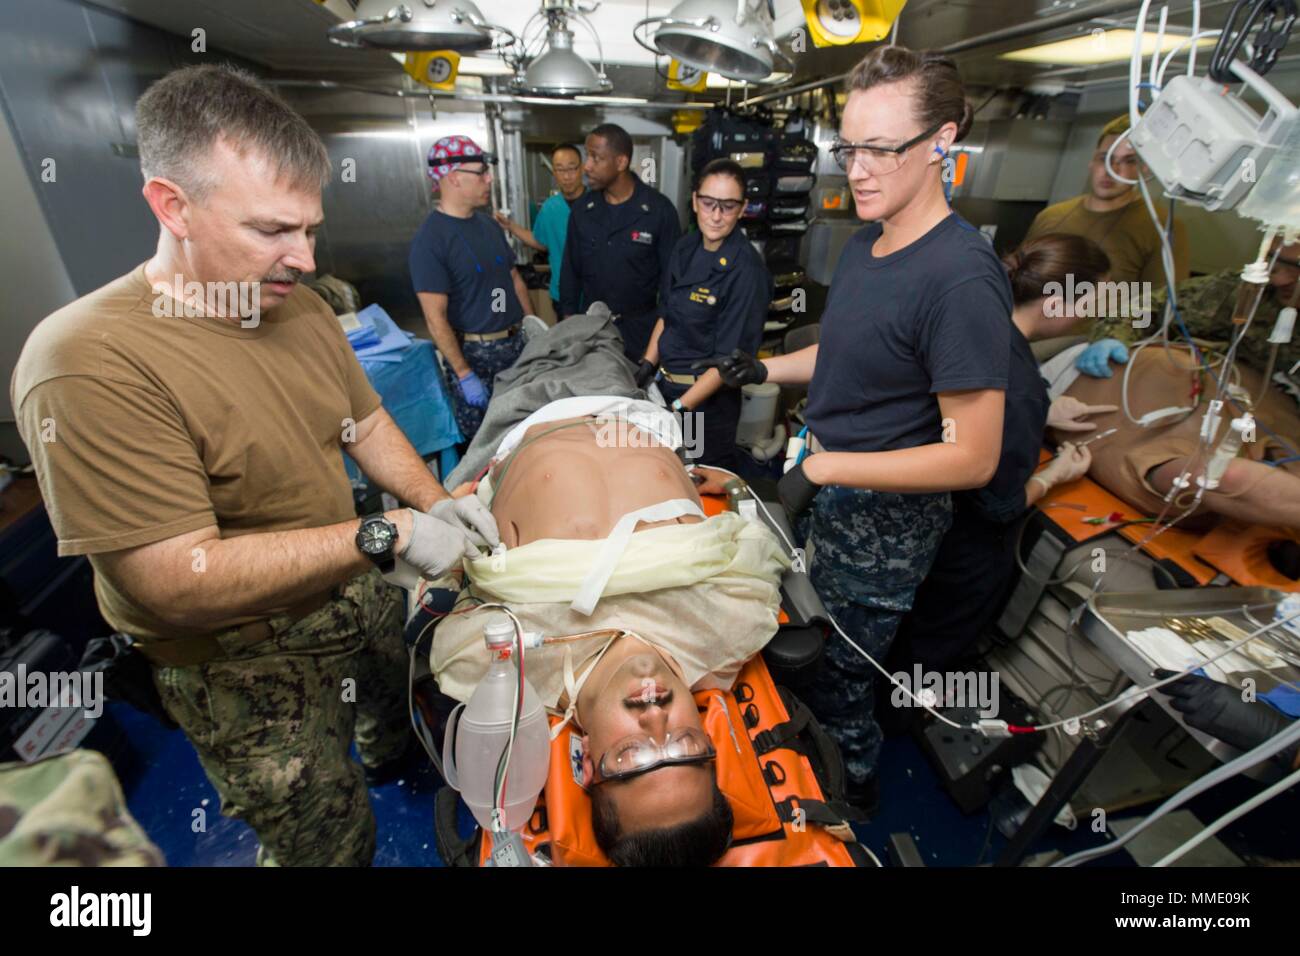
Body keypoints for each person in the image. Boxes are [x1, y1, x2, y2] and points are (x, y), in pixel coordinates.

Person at [10, 65, 498, 866]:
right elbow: (171, 578)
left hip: (351, 589)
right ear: (173, 207)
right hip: (245, 661)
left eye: (310, 229)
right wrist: (388, 533)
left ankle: (382, 756)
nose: (302, 258)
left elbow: (364, 422)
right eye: (272, 231)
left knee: (396, 724)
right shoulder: (88, 362)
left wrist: (433, 500)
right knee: (328, 841)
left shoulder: (298, 306)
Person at [711, 46, 1011, 809]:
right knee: (796, 638)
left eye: (881, 148)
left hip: (882, 520)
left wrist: (823, 469)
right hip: (827, 482)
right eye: (849, 148)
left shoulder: (961, 277)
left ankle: (851, 794)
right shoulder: (864, 245)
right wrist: (763, 369)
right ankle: (805, 760)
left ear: (942, 141)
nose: (859, 170)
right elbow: (847, 354)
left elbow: (973, 457)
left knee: (840, 669)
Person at [432, 399, 791, 864]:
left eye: (633, 758)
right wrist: (737, 485)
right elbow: (757, 544)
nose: (656, 719)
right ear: (708, 743)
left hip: (526, 421)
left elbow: (441, 603)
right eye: (686, 747)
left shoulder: (506, 662)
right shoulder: (734, 625)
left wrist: (449, 506)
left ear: (585, 764)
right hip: (638, 411)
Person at [891, 234, 1115, 677]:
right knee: (925, 655)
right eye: (1089, 302)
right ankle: (907, 708)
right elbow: (1000, 505)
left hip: (910, 526)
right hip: (959, 550)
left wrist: (1045, 409)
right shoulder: (1019, 388)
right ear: (1056, 304)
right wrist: (1054, 475)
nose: (1090, 315)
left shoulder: (968, 326)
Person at [1056, 236, 1300, 529]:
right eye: (1273, 261)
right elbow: (1146, 307)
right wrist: (1113, 336)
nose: (1279, 278)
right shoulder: (1243, 292)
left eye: (1295, 267)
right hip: (1198, 399)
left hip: (1257, 418)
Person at [1023, 114, 1191, 377]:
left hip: (1087, 354)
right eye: (1105, 158)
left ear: (1145, 169)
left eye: (1129, 161)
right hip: (1026, 343)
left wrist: (1114, 340)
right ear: (1092, 161)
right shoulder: (1052, 217)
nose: (1112, 170)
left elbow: (1161, 307)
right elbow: (1018, 284)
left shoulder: (1161, 228)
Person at [637, 158, 771, 470]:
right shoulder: (685, 247)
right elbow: (667, 314)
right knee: (659, 475)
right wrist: (647, 364)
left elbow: (729, 363)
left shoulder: (746, 270)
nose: (716, 215)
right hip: (664, 387)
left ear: (742, 208)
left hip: (704, 406)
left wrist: (679, 409)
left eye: (728, 206)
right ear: (695, 200)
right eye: (709, 203)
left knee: (695, 481)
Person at [409, 135, 535, 443]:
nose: (489, 179)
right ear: (453, 178)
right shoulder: (431, 240)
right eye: (481, 173)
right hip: (476, 358)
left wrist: (532, 327)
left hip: (517, 347)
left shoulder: (489, 226)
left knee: (526, 436)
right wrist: (465, 375)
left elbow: (514, 280)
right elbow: (435, 318)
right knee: (487, 448)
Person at [559, 123, 681, 361]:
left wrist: (655, 351)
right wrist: (569, 328)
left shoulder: (658, 211)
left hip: (642, 334)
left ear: (621, 162)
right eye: (587, 156)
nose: (587, 166)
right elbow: (570, 273)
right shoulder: (583, 211)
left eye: (596, 157)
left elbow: (672, 285)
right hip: (592, 332)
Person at [495, 143, 587, 317]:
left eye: (572, 168)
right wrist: (511, 226)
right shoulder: (550, 208)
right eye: (560, 170)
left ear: (582, 169)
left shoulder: (596, 203)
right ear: (554, 173)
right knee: (567, 335)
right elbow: (541, 242)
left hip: (594, 294)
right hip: (562, 294)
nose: (566, 176)